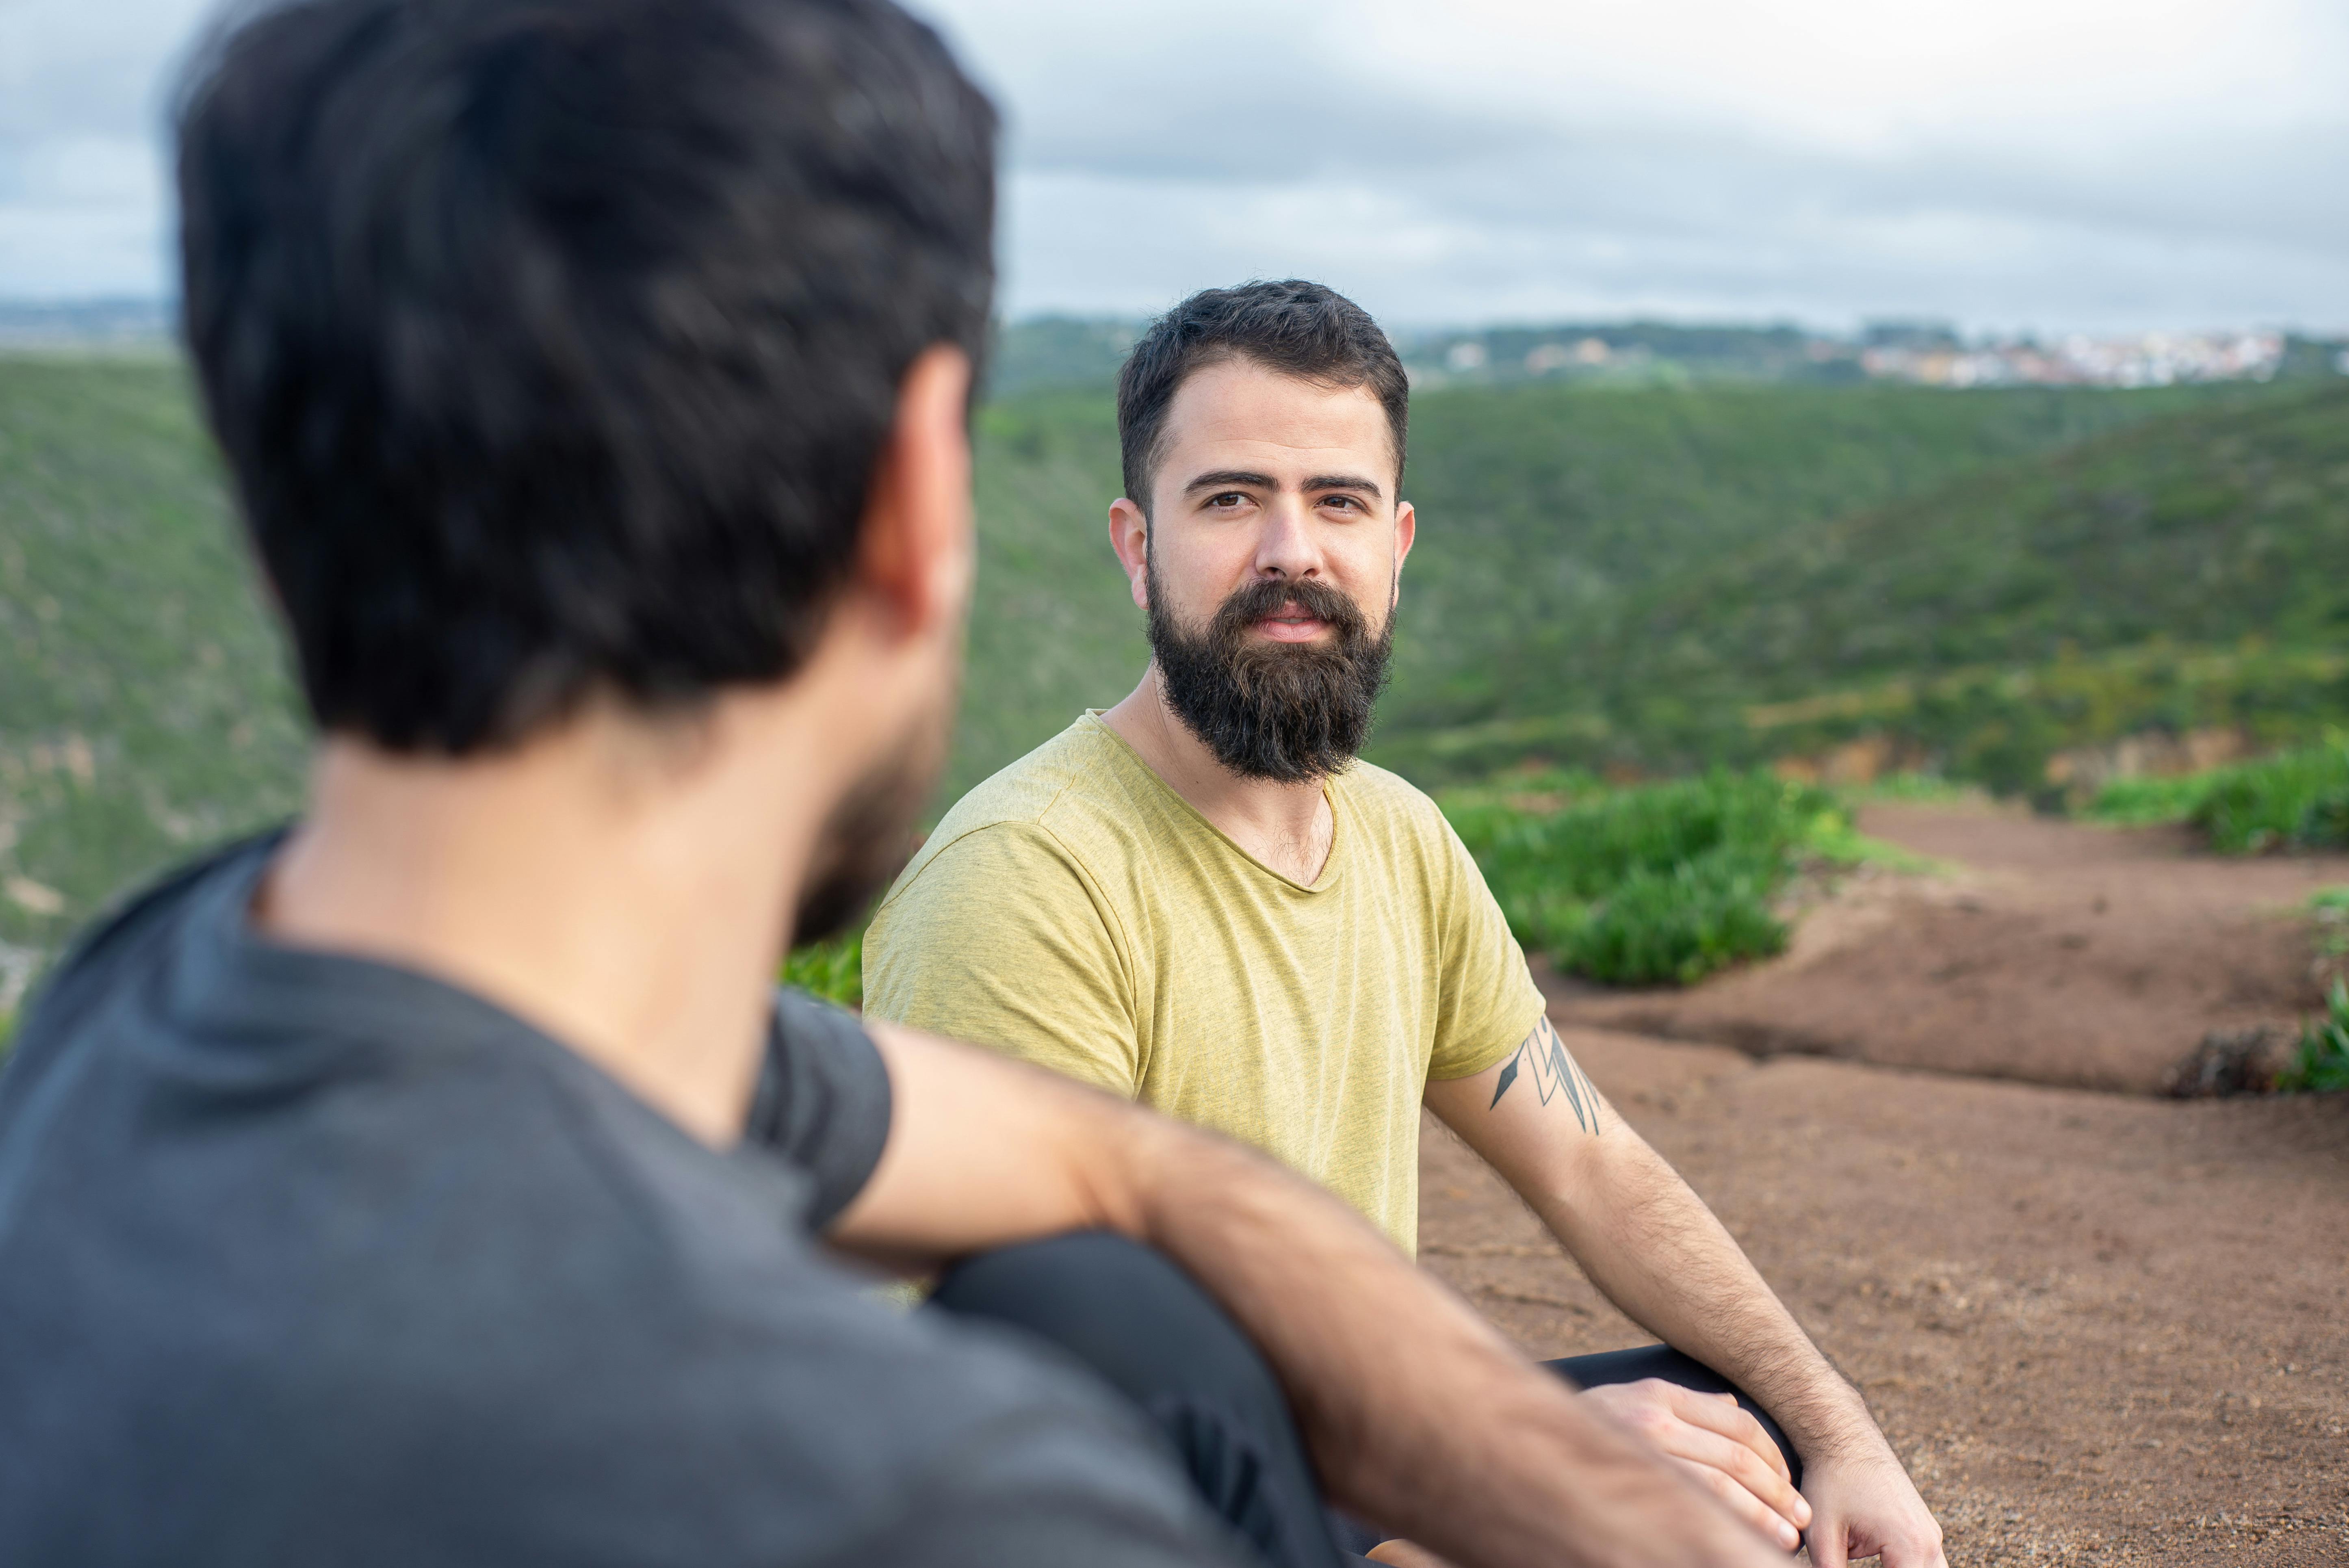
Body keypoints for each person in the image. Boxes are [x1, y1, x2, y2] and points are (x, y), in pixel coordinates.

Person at [0, 4, 1799, 1567]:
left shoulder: (148, 990)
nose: (1290, 547)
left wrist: (1602, 1501)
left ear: (273, 529)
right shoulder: (920, 1496)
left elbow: (1128, 1168)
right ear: (918, 510)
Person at [862, 281, 1950, 1568]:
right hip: (1123, 1500)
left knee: (1743, 1431)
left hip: (1345, 1449)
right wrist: (1523, 1467)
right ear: (1136, 544)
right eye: (1230, 499)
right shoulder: (1029, 875)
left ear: (1397, 543)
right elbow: (1068, 1383)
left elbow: (1591, 1168)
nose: (1292, 552)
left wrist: (1841, 1432)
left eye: (1339, 501)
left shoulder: (1398, 838)